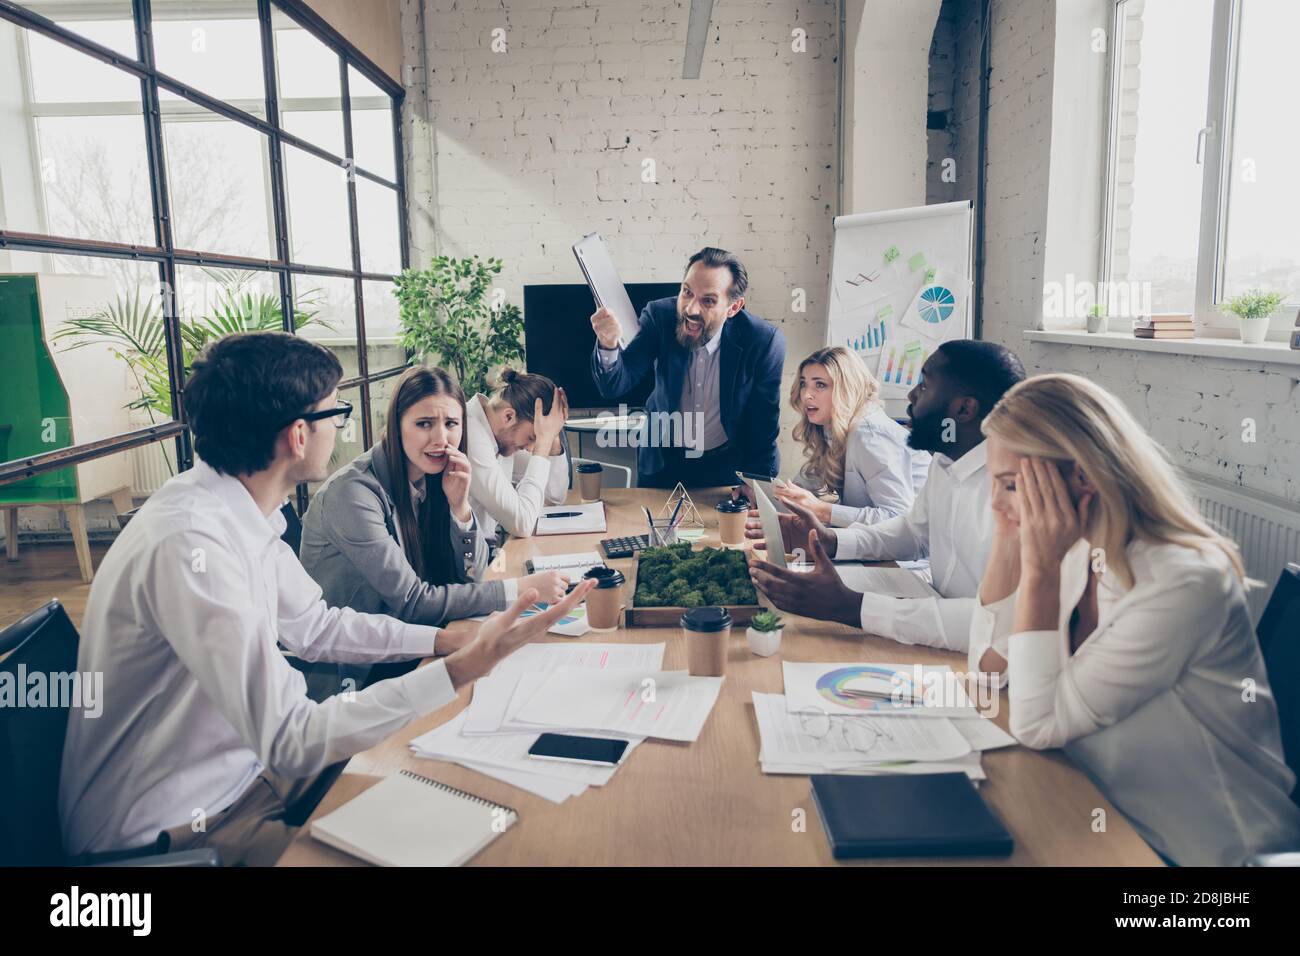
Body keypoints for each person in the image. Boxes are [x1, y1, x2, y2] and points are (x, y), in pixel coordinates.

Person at [58, 332, 594, 865]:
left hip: (254, 779)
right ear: (297, 436)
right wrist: (460, 666)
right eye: (334, 413)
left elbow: (317, 626)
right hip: (174, 831)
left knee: (465, 802)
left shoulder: (238, 508)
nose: (341, 427)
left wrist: (448, 640)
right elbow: (290, 738)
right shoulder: (192, 545)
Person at [970, 373, 1300, 866]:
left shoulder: (1183, 582)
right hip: (1102, 807)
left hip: (1205, 857)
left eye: (1011, 485)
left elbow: (1036, 724)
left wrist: (1037, 571)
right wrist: (1007, 532)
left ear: (1082, 477)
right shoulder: (1082, 549)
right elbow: (988, 672)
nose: (996, 501)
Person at [747, 339, 1025, 651]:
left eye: (924, 384)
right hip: (935, 621)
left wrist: (853, 607)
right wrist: (830, 541)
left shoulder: (1014, 489)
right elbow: (913, 532)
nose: (911, 395)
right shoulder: (946, 459)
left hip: (984, 656)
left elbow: (996, 623)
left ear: (963, 408)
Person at [299, 365, 567, 627]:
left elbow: (473, 576)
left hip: (419, 636)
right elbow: (413, 602)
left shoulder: (437, 475)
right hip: (363, 666)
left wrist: (461, 510)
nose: (441, 438)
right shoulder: (352, 494)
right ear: (396, 426)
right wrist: (519, 589)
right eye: (424, 424)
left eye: (451, 423)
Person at [589, 246, 786, 487]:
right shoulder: (660, 316)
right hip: (663, 461)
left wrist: (758, 486)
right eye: (687, 292)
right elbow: (615, 385)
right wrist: (608, 344)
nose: (691, 309)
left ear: (733, 307)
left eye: (708, 301)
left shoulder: (763, 342)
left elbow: (763, 428)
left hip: (727, 466)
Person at [771, 346, 930, 527]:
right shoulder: (831, 427)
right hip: (877, 545)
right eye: (803, 383)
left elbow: (898, 517)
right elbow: (805, 488)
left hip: (918, 549)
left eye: (820, 385)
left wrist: (822, 510)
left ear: (847, 389)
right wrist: (768, 496)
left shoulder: (870, 434)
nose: (806, 395)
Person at [465, 367, 571, 543]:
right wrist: (543, 443)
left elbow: (554, 497)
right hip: (469, 561)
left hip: (492, 549)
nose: (531, 449)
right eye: (532, 437)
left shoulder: (502, 434)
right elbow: (522, 524)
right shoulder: (471, 435)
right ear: (508, 417)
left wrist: (552, 437)